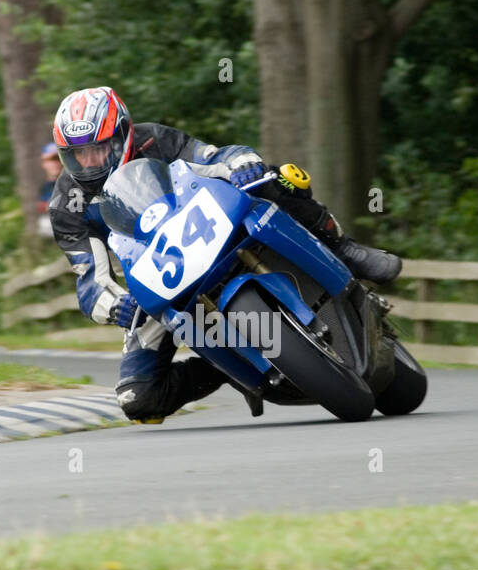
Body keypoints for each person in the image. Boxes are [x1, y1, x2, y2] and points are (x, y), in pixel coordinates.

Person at [45, 85, 402, 423]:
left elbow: (212, 158)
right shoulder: (67, 205)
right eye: (78, 154)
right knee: (139, 400)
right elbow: (90, 279)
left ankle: (343, 248)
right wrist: (115, 305)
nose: (89, 162)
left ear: (123, 135)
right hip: (155, 279)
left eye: (99, 149)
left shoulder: (154, 140)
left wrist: (242, 163)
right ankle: (224, 365)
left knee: (276, 179)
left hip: (205, 226)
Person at [36, 143, 62, 239]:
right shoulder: (45, 187)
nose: (54, 163)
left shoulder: (75, 183)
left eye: (57, 158)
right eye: (50, 160)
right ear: (44, 163)